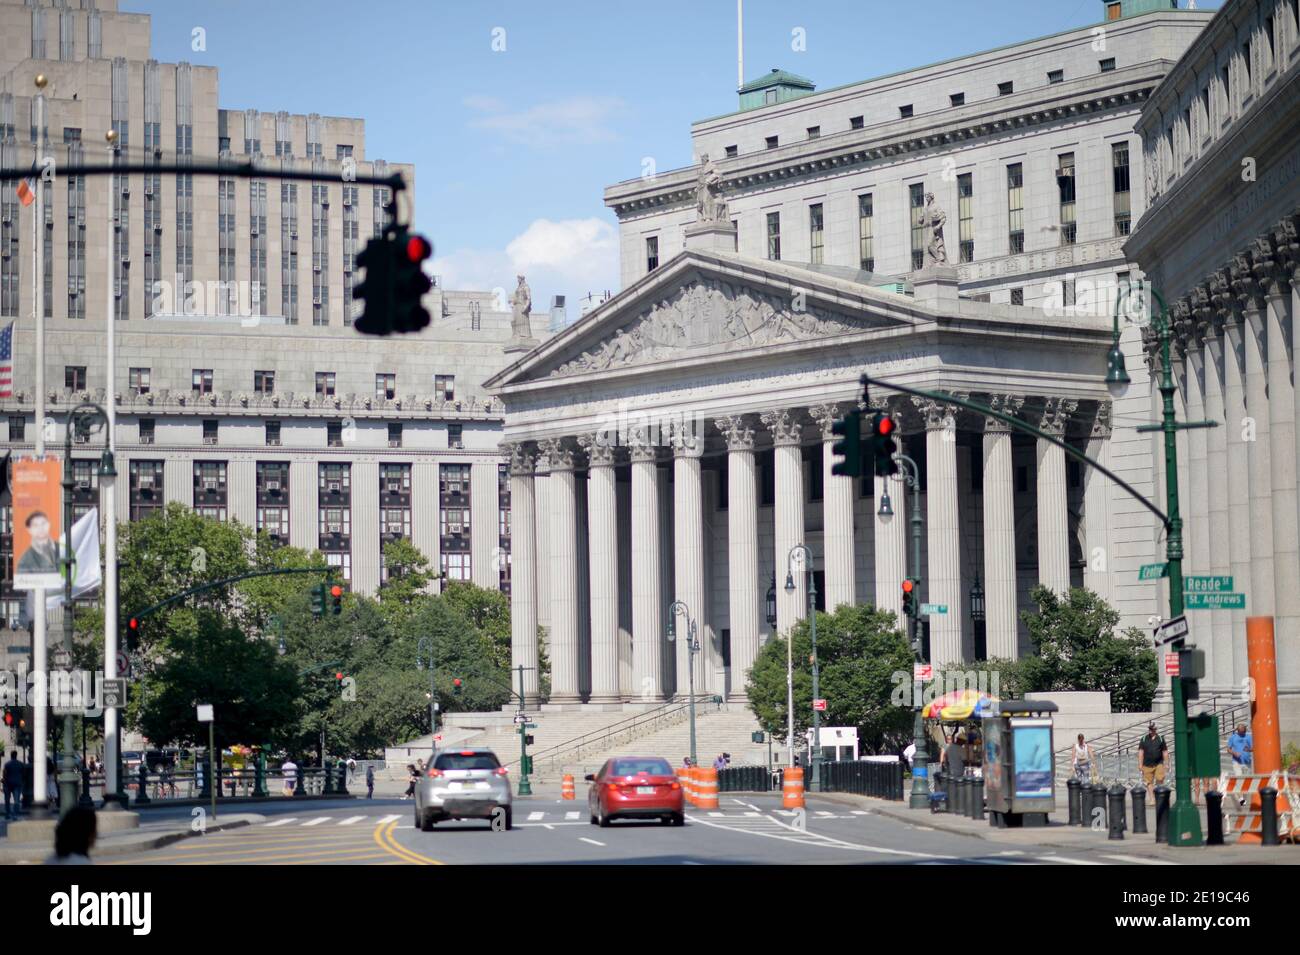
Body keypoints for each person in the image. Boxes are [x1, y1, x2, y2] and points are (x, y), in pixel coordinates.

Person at [17, 511, 60, 576]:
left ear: (49, 524)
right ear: (29, 530)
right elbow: (23, 583)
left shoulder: (62, 548)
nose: (41, 528)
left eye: (43, 523)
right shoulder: (24, 560)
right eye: (35, 525)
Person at [1138, 723, 1167, 801]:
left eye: (1152, 729)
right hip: (1147, 764)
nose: (1151, 731)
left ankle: (1160, 797)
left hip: (1159, 763)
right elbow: (1141, 752)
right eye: (1150, 729)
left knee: (1160, 779)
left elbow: (1165, 752)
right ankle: (1152, 798)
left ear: (1155, 730)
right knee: (1148, 782)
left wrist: (1166, 763)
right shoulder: (1144, 739)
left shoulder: (1160, 738)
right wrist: (1140, 764)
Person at [3, 750, 24, 820]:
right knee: (16, 801)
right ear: (16, 755)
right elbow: (23, 774)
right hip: (17, 784)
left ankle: (7, 814)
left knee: (7, 800)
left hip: (8, 784)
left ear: (11, 755)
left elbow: (5, 774)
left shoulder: (7, 764)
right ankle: (15, 815)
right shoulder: (20, 764)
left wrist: (4, 783)